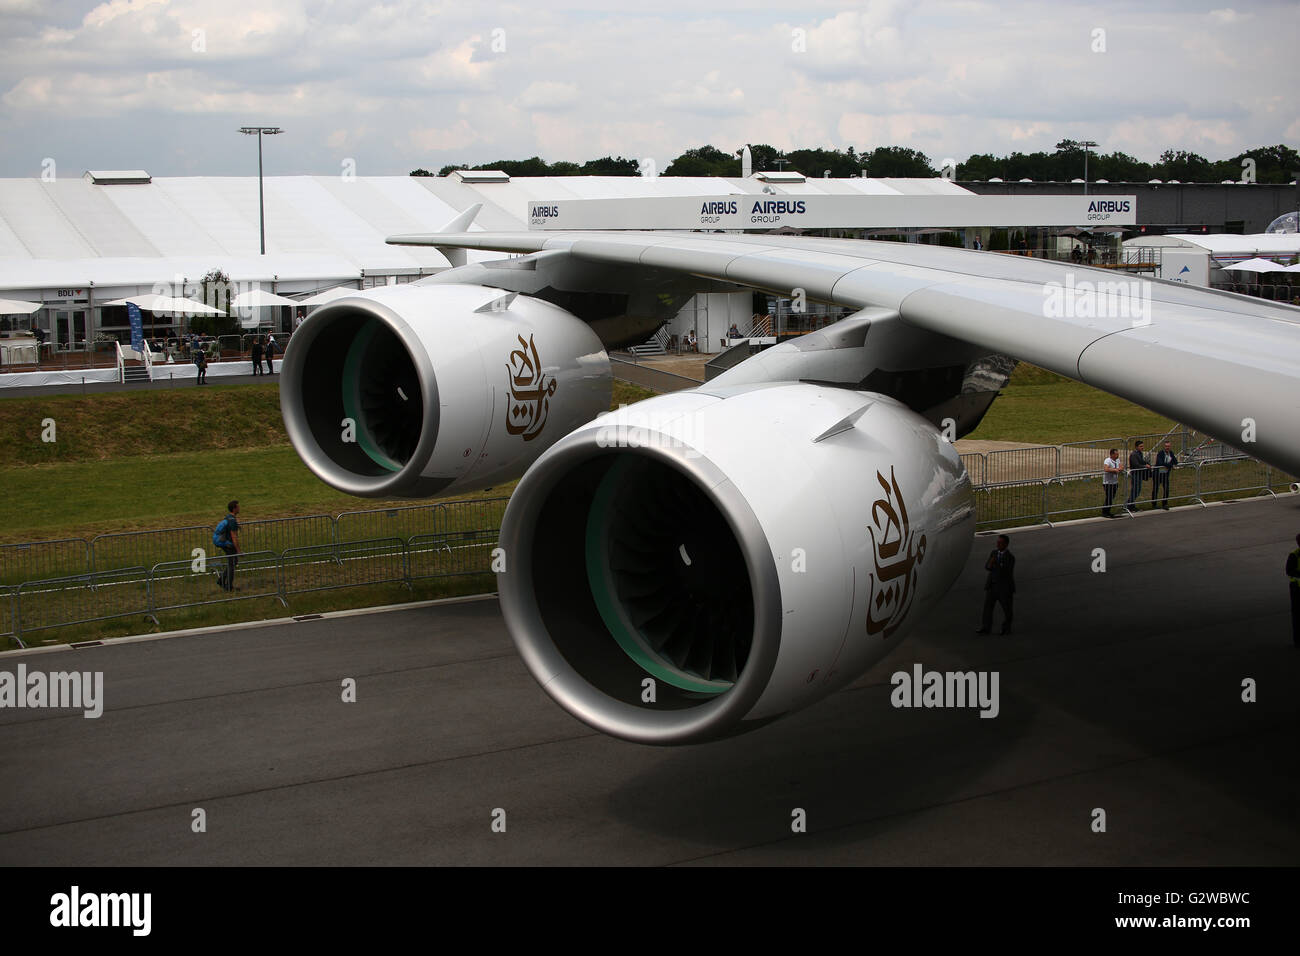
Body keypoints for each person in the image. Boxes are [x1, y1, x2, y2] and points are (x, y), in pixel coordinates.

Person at [976, 534, 1015, 635]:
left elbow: (1006, 571)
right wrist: (992, 563)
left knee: (1007, 609)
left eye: (1000, 543)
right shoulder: (993, 553)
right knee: (987, 608)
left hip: (1004, 588)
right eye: (997, 542)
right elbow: (987, 567)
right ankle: (986, 627)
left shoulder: (1010, 557)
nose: (998, 544)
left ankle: (1006, 628)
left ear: (1006, 544)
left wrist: (995, 563)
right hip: (992, 586)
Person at [213, 500, 241, 591]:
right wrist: (238, 550)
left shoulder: (228, 517)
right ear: (234, 508)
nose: (239, 508)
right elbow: (234, 537)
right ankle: (229, 586)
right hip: (227, 544)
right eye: (238, 507)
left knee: (232, 562)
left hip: (224, 543)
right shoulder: (232, 520)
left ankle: (221, 581)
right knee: (232, 563)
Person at [1152, 440, 1177, 509]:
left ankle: (1165, 503)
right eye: (1166, 446)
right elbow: (1160, 463)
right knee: (1155, 489)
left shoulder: (1171, 453)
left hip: (1165, 474)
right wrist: (1170, 465)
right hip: (1157, 474)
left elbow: (1175, 461)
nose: (1167, 448)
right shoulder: (1160, 453)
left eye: (1168, 446)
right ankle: (1154, 504)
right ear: (1164, 447)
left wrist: (1170, 465)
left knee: (1166, 489)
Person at [1126, 440, 1149, 512]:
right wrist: (1145, 466)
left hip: (1139, 475)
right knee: (1135, 490)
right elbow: (1136, 465)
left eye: (1142, 446)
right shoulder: (1134, 455)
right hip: (1135, 475)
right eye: (1140, 446)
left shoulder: (1140, 453)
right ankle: (1129, 505)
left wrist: (1147, 464)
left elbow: (1141, 461)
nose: (1142, 447)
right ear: (1136, 447)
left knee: (1137, 490)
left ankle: (1131, 505)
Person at [1102, 448, 1123, 517]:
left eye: (1118, 454)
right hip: (1108, 483)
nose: (1118, 455)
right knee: (1109, 497)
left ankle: (1107, 511)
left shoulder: (1117, 460)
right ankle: (1105, 512)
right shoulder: (1107, 460)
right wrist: (1114, 470)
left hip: (1115, 482)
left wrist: (1118, 469)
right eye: (1116, 454)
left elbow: (1121, 467)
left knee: (1111, 497)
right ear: (1112, 454)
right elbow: (1106, 469)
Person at [1287, 533, 1300, 648]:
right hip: (1297, 589)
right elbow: (1289, 571)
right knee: (1297, 615)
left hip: (1296, 587)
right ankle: (1298, 641)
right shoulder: (1294, 555)